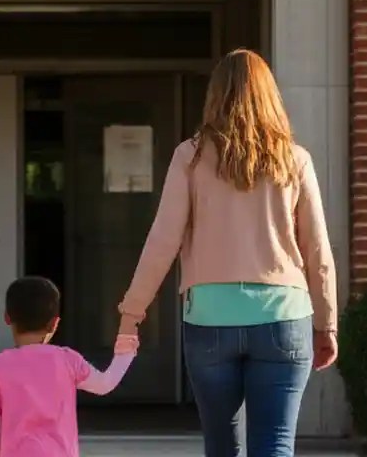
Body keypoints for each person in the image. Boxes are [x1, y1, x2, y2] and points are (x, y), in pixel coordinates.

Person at [116, 48, 339, 457]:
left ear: (215, 95)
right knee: (274, 444)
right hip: (284, 316)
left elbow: (162, 241)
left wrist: (132, 314)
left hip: (210, 319)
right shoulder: (295, 160)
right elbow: (317, 251)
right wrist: (327, 325)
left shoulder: (192, 156)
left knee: (221, 446)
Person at [0, 276, 139, 457]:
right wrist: (126, 348)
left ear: (7, 318)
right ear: (54, 323)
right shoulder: (67, 360)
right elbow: (105, 383)